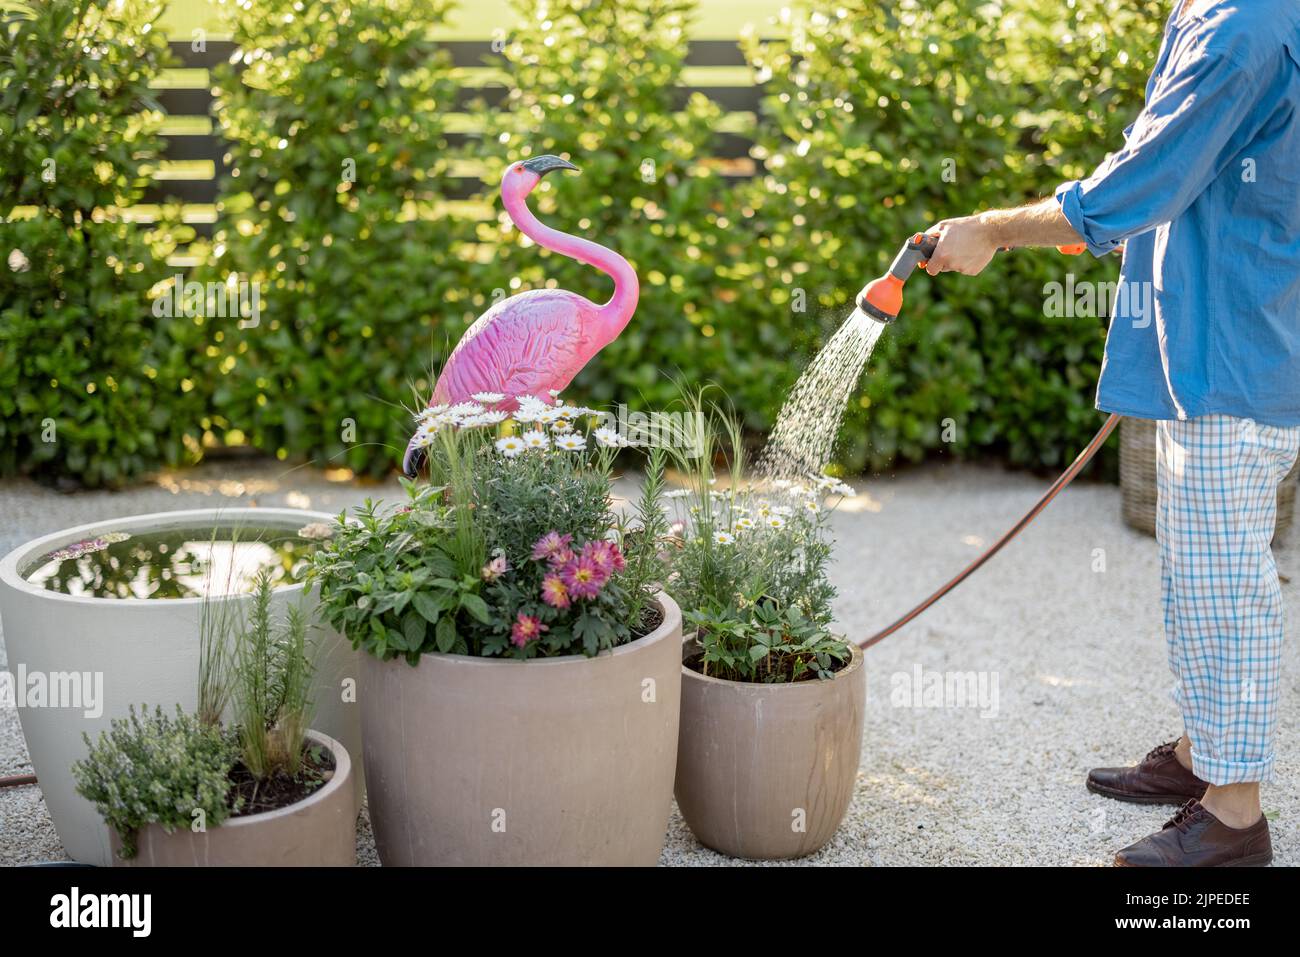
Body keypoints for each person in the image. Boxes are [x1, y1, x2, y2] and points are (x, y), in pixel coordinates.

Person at [925, 0, 1300, 866]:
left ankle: (1235, 818)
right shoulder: (1212, 11)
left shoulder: (1244, 26)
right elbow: (1160, 164)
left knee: (1226, 579)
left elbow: (1144, 184)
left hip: (1230, 348)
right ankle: (1207, 758)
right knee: (1198, 566)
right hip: (1211, 340)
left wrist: (995, 230)